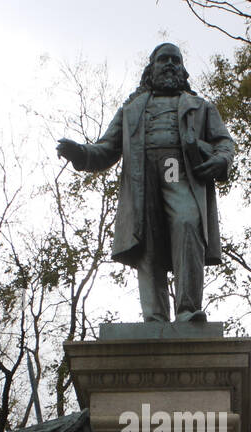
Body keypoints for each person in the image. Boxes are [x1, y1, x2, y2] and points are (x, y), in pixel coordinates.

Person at [56, 43, 235, 323]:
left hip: (176, 169)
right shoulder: (132, 108)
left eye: (176, 60)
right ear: (150, 68)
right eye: (164, 59)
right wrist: (81, 153)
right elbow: (106, 148)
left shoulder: (200, 106)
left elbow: (223, 141)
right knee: (148, 239)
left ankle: (188, 309)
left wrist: (222, 159)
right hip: (142, 174)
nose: (171, 64)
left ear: (183, 69)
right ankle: (154, 317)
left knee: (187, 222)